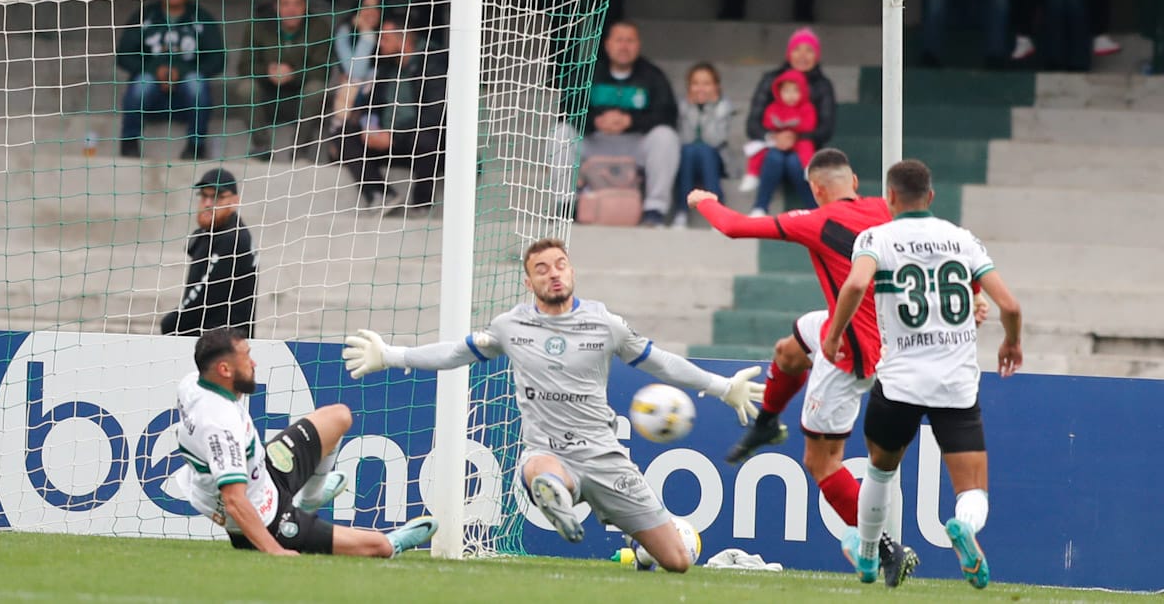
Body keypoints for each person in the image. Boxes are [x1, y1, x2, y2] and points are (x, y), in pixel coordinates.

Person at [340, 237, 765, 572]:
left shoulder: (605, 324)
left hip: (607, 457)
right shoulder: (511, 327)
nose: (553, 275)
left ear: (572, 271)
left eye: (560, 265)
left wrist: (722, 386)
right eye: (541, 270)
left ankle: (639, 545)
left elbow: (662, 363)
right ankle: (553, 494)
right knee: (539, 468)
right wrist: (393, 355)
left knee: (678, 561)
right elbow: (456, 352)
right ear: (529, 283)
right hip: (550, 453)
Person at [687, 148, 917, 587]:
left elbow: (735, 226)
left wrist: (704, 201)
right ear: (854, 181)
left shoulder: (814, 220)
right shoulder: (884, 210)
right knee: (789, 349)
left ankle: (886, 547)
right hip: (873, 330)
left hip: (850, 351)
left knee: (822, 462)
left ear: (815, 190)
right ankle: (767, 423)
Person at [824, 159, 1022, 589]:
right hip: (955, 384)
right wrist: (1012, 342)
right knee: (972, 490)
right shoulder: (962, 239)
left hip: (899, 382)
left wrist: (835, 334)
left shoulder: (876, 237)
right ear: (931, 197)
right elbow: (1010, 305)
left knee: (880, 470)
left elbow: (856, 285)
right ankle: (965, 527)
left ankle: (868, 555)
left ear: (889, 197)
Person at [175, 327, 438, 556]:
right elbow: (234, 500)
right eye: (246, 358)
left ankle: (309, 500)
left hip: (267, 474)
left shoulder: (193, 384)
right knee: (378, 546)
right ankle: (393, 545)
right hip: (265, 519)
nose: (254, 364)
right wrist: (274, 550)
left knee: (339, 417)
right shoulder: (221, 426)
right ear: (224, 369)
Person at [551, 21, 679, 227]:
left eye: (630, 41)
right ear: (608, 44)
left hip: (634, 145)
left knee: (666, 137)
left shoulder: (653, 75)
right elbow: (566, 110)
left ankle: (655, 209)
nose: (624, 46)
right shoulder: (588, 71)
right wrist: (595, 121)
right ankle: (565, 206)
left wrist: (631, 121)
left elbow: (668, 115)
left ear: (638, 45)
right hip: (595, 141)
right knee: (561, 132)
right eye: (619, 40)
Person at [334, 16, 447, 212]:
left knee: (426, 139)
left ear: (402, 39)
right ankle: (381, 194)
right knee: (344, 133)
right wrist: (370, 125)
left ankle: (422, 203)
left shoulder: (434, 62)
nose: (380, 44)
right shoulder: (386, 68)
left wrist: (394, 135)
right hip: (387, 142)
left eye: (385, 39)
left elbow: (436, 114)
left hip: (420, 143)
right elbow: (370, 104)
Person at [116, 0, 225, 159]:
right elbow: (124, 55)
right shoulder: (145, 16)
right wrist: (155, 71)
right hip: (152, 91)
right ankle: (129, 142)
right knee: (142, 83)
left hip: (186, 94)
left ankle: (196, 146)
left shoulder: (201, 17)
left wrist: (181, 73)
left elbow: (218, 59)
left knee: (195, 83)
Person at [161, 169, 258, 338]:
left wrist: (171, 323)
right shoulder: (210, 233)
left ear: (235, 201)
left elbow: (204, 296)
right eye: (203, 196)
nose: (207, 203)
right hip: (210, 341)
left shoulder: (232, 238)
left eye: (217, 197)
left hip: (222, 346)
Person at [741, 28, 835, 202]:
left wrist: (796, 137)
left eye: (809, 50)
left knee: (794, 162)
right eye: (797, 49)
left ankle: (813, 212)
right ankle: (760, 208)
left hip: (808, 147)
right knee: (774, 157)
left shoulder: (823, 85)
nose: (802, 55)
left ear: (817, 55)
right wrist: (774, 137)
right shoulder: (771, 79)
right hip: (772, 146)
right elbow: (752, 124)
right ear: (789, 53)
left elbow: (826, 128)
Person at [241, 0, 334, 161]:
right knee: (245, 88)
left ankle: (300, 150)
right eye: (285, 4)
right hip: (267, 98)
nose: (291, 9)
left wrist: (294, 74)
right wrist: (267, 72)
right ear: (276, 6)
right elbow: (244, 66)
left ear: (305, 6)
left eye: (297, 4)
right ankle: (262, 146)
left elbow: (324, 70)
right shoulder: (258, 25)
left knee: (317, 89)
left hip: (300, 99)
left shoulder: (319, 27)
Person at [746, 69, 818, 216]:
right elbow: (767, 124)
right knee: (768, 154)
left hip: (800, 146)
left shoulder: (807, 107)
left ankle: (814, 208)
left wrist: (794, 135)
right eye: (786, 91)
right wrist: (776, 136)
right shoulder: (773, 108)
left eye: (795, 91)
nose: (791, 95)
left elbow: (809, 126)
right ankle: (759, 204)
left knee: (797, 160)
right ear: (779, 92)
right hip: (776, 146)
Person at [672, 62, 735, 229]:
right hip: (688, 158)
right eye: (695, 83)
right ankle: (681, 211)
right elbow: (686, 138)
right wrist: (692, 109)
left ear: (716, 87)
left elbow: (714, 140)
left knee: (705, 151)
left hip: (715, 158)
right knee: (689, 151)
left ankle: (718, 211)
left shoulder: (723, 107)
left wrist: (708, 109)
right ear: (689, 86)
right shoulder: (683, 105)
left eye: (707, 84)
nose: (701, 88)